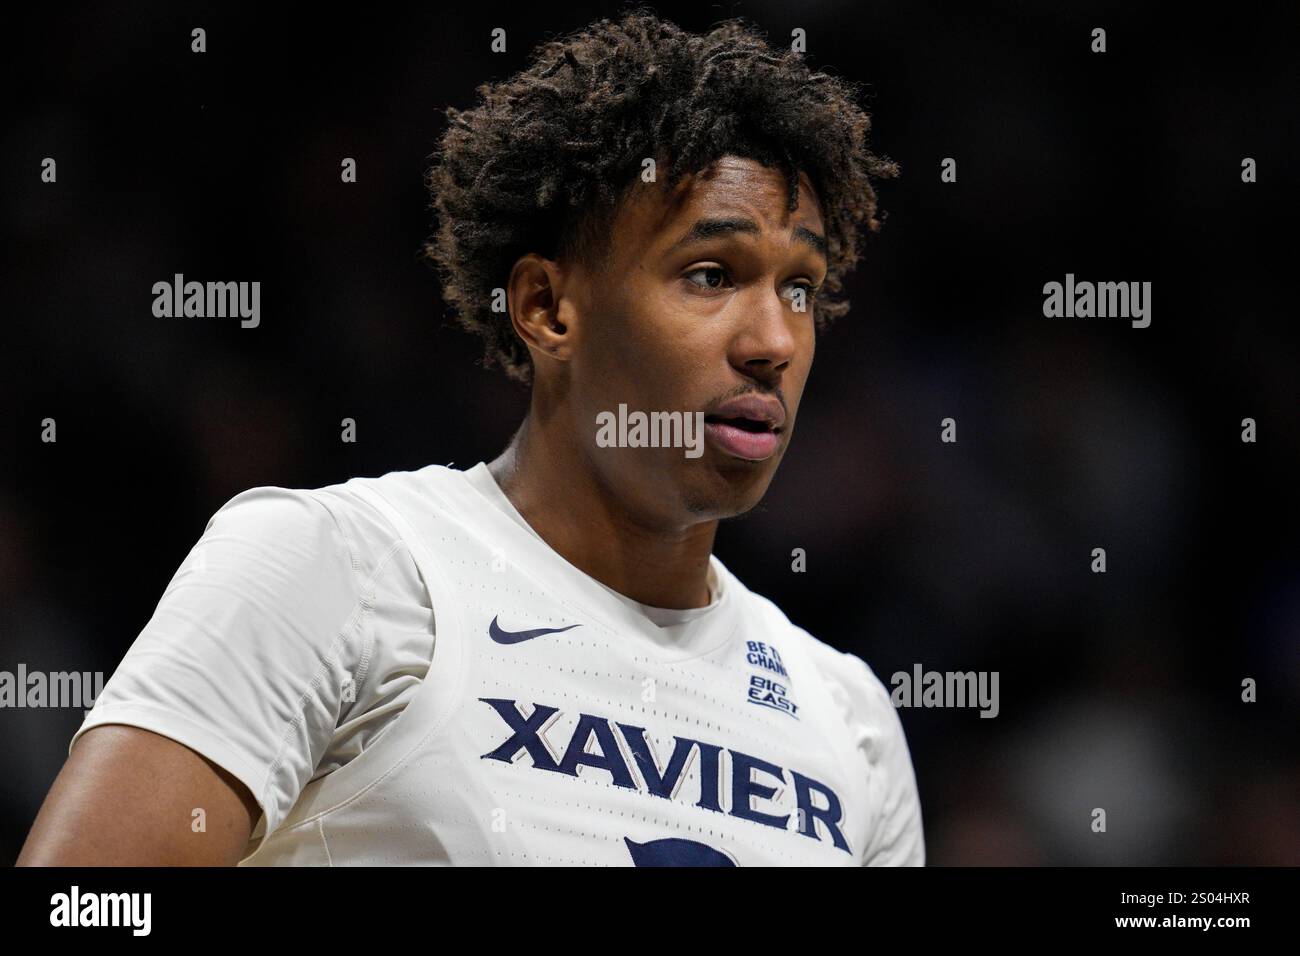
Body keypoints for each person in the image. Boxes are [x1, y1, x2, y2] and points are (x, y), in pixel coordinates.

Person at [19, 9, 922, 866]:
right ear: (545, 307)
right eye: (710, 273)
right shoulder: (337, 569)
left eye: (799, 288)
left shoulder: (849, 723)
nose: (772, 341)